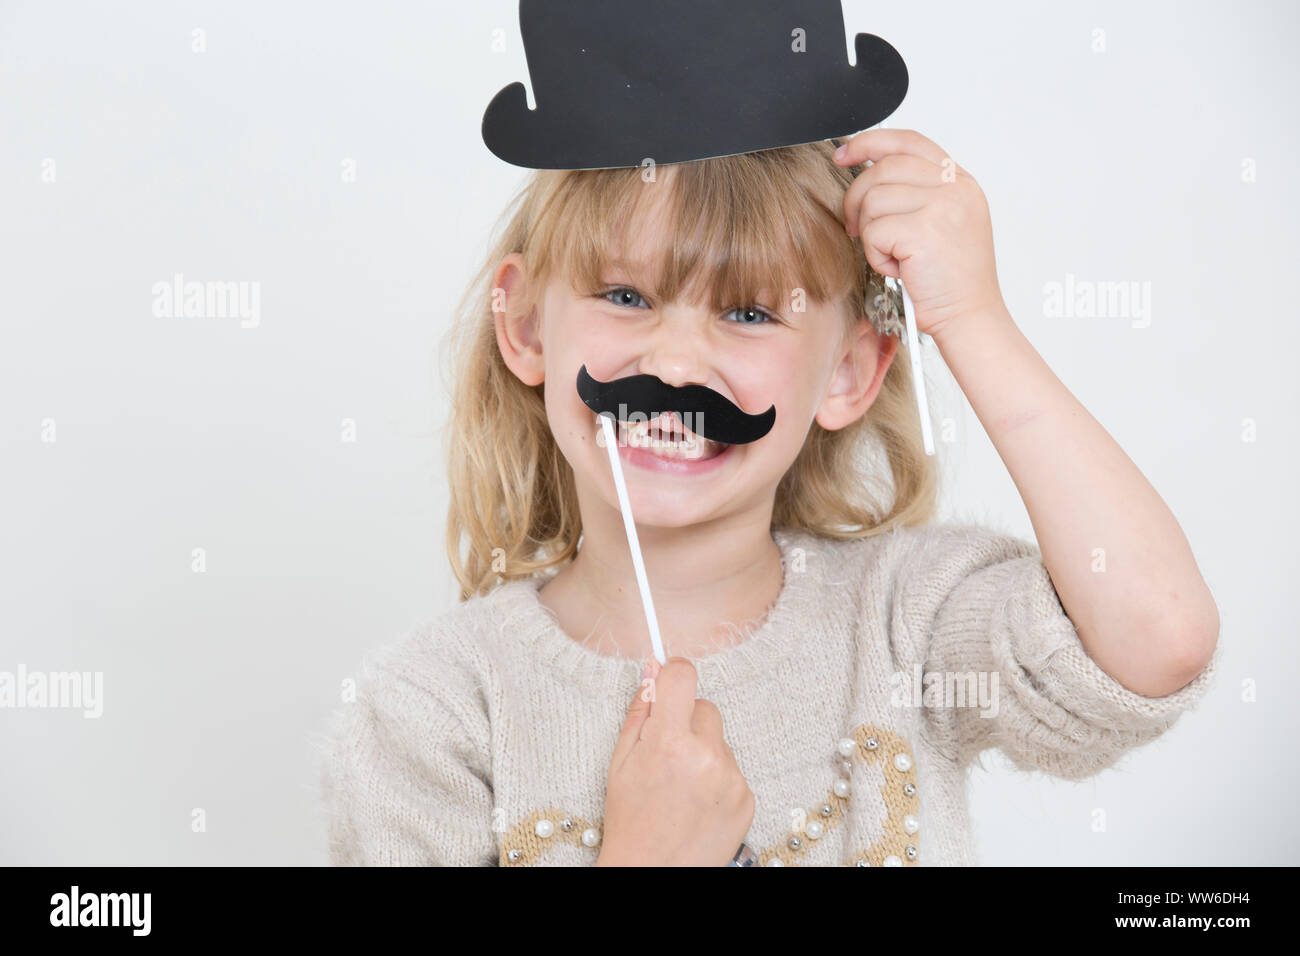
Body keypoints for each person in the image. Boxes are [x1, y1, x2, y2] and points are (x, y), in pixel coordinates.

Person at [317, 129, 1220, 866]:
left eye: (748, 313)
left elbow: (1159, 637)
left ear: (849, 372)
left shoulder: (905, 624)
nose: (676, 365)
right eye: (625, 295)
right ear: (523, 326)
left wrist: (971, 317)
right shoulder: (433, 713)